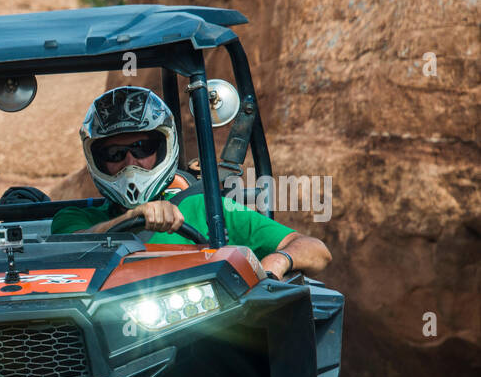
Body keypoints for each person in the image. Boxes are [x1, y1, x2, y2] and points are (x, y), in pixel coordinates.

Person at [51, 86, 330, 278]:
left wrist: (277, 262)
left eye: (142, 147)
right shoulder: (76, 218)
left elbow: (316, 250)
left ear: (163, 147)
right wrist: (133, 218)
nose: (130, 162)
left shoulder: (210, 208)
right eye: (113, 153)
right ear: (96, 159)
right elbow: (67, 251)